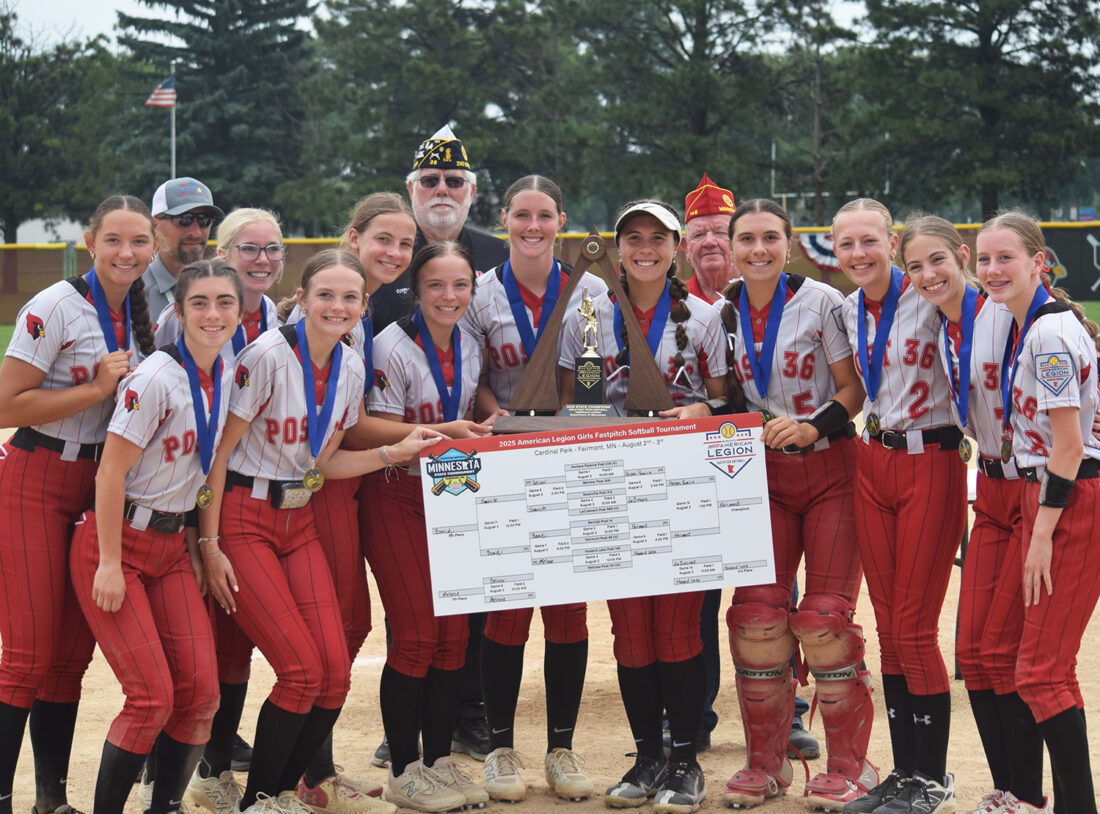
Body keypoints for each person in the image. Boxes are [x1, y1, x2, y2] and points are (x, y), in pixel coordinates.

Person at [196, 248, 439, 814]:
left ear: (363, 304)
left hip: (297, 518)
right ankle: (259, 799)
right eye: (325, 294)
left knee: (332, 675)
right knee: (301, 671)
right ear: (300, 299)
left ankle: (283, 793)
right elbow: (216, 455)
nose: (337, 305)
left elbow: (322, 466)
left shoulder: (352, 362)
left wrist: (392, 452)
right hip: (242, 516)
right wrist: (208, 545)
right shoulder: (266, 356)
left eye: (350, 297)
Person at [558, 200, 728, 814]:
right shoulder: (589, 310)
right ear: (618, 248)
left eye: (658, 237)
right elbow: (580, 399)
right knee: (630, 628)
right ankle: (647, 756)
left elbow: (725, 399)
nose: (646, 247)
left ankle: (685, 760)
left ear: (676, 247)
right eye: (634, 237)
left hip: (681, 482)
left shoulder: (706, 315)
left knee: (678, 625)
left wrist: (700, 411)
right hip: (616, 477)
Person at [0, 194, 157, 814]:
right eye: (114, 239)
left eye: (139, 241)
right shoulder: (57, 304)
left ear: (152, 249)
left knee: (69, 657)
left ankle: (51, 799)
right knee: (29, 654)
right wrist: (95, 388)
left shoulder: (144, 313)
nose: (126, 252)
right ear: (90, 241)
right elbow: (7, 405)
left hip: (97, 488)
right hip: (38, 477)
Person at [69, 259, 241, 814]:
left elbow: (201, 475)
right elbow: (110, 473)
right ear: (178, 310)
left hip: (171, 548)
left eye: (225, 303)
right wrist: (110, 564)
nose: (213, 314)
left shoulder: (228, 369)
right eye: (199, 303)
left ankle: (163, 806)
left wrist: (197, 546)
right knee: (151, 699)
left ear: (240, 312)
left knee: (201, 697)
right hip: (116, 543)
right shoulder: (156, 377)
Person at [899, 215, 1056, 814]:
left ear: (960, 255)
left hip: (1032, 489)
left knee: (1015, 652)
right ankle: (1010, 791)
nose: (928, 275)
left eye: (939, 260)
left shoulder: (1009, 312)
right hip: (987, 489)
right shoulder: (940, 323)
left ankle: (1033, 795)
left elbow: (1070, 369)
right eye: (914, 267)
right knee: (980, 654)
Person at [716, 199, 869, 811]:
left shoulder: (823, 301)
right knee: (756, 618)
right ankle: (766, 763)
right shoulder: (717, 313)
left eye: (770, 238)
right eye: (746, 238)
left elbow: (853, 389)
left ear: (789, 242)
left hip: (831, 468)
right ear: (730, 246)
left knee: (825, 619)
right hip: (763, 477)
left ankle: (850, 767)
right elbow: (722, 397)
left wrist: (809, 426)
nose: (758, 249)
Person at [461, 175, 606, 802]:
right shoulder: (480, 292)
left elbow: (595, 380)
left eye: (545, 215)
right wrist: (504, 417)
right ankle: (498, 749)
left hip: (568, 451)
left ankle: (562, 748)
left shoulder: (592, 288)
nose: (533, 226)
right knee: (509, 608)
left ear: (561, 220)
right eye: (522, 214)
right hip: (503, 456)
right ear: (504, 219)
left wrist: (559, 419)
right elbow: (475, 376)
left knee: (568, 610)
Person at [369, 126, 508, 766]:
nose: (443, 190)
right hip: (394, 475)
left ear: (472, 191)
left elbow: (474, 378)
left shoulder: (492, 262)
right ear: (412, 189)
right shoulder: (386, 263)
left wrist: (491, 416)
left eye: (454, 181)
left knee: (460, 616)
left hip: (458, 479)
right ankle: (407, 744)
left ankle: (460, 723)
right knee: (413, 615)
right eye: (431, 180)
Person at [834, 199, 965, 813]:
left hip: (931, 458)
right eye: (845, 245)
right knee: (889, 629)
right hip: (873, 458)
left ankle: (933, 778)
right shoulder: (845, 309)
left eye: (869, 242)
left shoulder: (936, 297)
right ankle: (906, 774)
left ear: (891, 242)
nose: (858, 255)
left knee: (914, 628)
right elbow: (855, 390)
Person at [362, 242, 495, 812]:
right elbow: (374, 432)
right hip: (394, 494)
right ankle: (403, 769)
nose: (449, 296)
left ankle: (438, 764)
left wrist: (495, 424)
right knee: (416, 634)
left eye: (460, 285)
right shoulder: (389, 346)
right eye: (436, 285)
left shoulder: (470, 340)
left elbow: (475, 401)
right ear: (416, 290)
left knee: (453, 639)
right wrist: (450, 430)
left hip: (450, 493)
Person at [974, 212, 1100, 814]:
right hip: (1043, 492)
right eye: (984, 259)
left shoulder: (1048, 332)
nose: (993, 270)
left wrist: (1043, 531)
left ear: (1038, 263)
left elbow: (1070, 447)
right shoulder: (1022, 321)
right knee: (1029, 663)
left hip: (1066, 499)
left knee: (1042, 672)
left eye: (1006, 258)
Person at [155, 208, 283, 364]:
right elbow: (149, 367)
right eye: (249, 248)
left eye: (273, 249)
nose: (263, 259)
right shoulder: (186, 311)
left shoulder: (269, 309)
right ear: (223, 254)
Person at [143, 177, 224, 319]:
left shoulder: (224, 287)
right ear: (154, 224)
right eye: (183, 219)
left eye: (204, 220)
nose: (196, 232)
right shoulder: (133, 291)